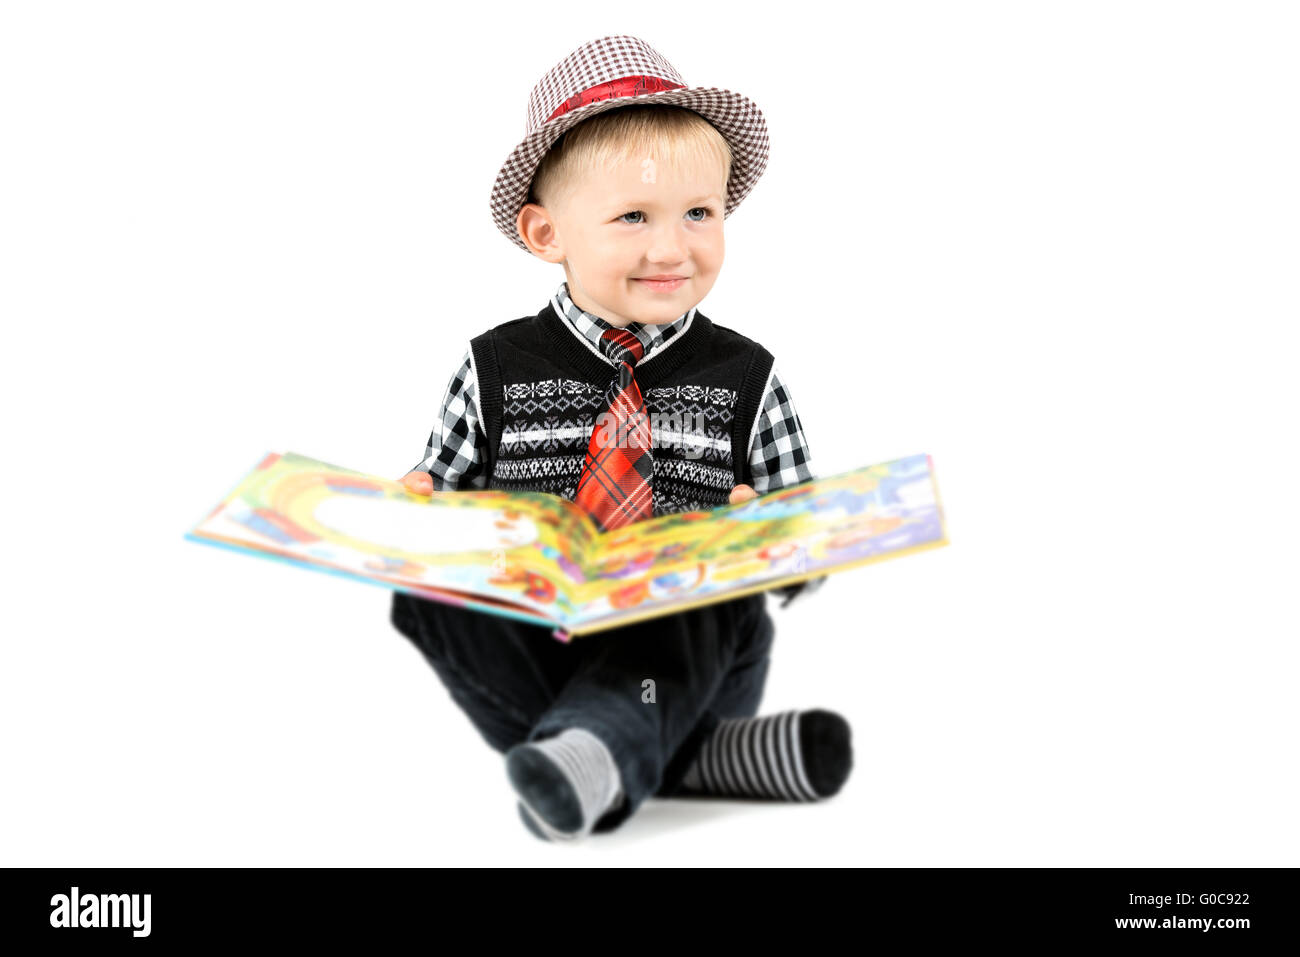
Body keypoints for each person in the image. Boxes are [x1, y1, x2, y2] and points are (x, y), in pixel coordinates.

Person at [389, 35, 851, 842]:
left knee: (684, 570)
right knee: (426, 595)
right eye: (634, 216)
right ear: (546, 234)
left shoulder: (749, 376)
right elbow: (439, 504)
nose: (673, 248)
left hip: (692, 652)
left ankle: (602, 752)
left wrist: (766, 541)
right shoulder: (491, 367)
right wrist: (421, 520)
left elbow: (805, 560)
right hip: (542, 656)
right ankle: (693, 759)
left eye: (699, 213)